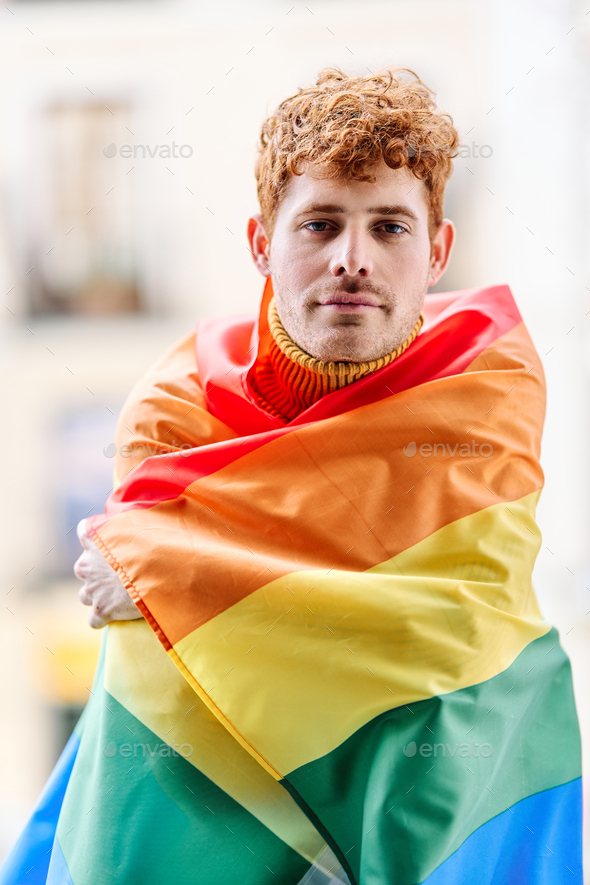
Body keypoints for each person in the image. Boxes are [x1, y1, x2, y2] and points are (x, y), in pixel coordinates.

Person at [1, 66, 582, 885]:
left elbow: (451, 626)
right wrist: (185, 592)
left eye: (389, 227)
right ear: (260, 244)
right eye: (318, 225)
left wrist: (174, 576)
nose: (353, 259)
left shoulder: (486, 388)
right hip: (208, 816)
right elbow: (167, 672)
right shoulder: (175, 411)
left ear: (438, 250)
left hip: (425, 804)